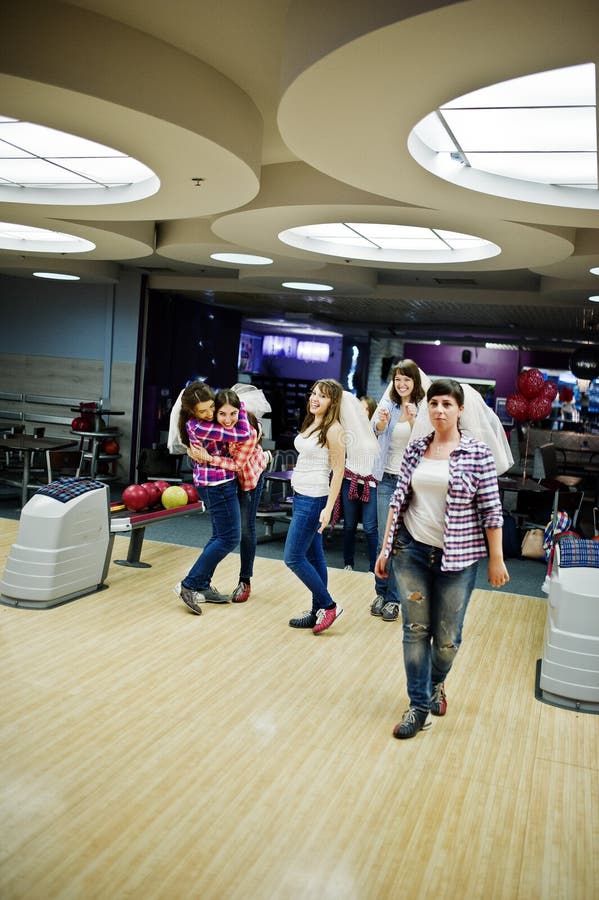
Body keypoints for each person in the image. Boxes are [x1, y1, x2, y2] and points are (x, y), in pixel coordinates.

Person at [375, 378, 509, 740]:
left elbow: (492, 511)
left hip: (459, 558)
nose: (439, 410)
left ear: (460, 410)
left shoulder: (478, 453)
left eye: (447, 404)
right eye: (434, 403)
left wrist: (496, 559)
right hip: (412, 551)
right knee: (415, 629)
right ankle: (418, 705)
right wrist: (386, 548)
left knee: (448, 638)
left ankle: (436, 682)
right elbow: (397, 501)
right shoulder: (417, 448)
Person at [172, 381, 251, 614]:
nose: (208, 414)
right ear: (192, 411)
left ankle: (202, 585)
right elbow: (243, 433)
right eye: (201, 411)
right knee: (229, 538)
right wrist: (240, 407)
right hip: (217, 483)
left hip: (214, 482)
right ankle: (189, 584)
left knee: (219, 536)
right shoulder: (199, 426)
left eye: (210, 408)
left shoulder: (209, 419)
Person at [187, 389, 270, 603]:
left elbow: (237, 464)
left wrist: (209, 459)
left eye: (233, 413)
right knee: (222, 534)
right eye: (222, 414)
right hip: (229, 480)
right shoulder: (214, 425)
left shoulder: (249, 431)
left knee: (245, 529)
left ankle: (245, 580)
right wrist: (194, 451)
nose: (227, 419)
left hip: (250, 478)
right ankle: (201, 583)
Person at [285, 379, 347, 635]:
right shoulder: (312, 423)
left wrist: (328, 508)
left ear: (333, 401)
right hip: (301, 495)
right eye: (313, 393)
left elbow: (339, 470)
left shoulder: (334, 429)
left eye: (322, 396)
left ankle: (329, 605)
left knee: (293, 557)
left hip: (314, 499)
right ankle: (316, 612)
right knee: (313, 556)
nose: (315, 398)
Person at [371, 360, 427, 622]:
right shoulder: (388, 406)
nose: (402, 384)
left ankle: (394, 599)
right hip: (386, 480)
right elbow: (374, 432)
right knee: (384, 538)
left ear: (415, 382)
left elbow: (427, 443)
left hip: (409, 484)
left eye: (407, 379)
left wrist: (415, 419)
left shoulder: (423, 408)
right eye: (397, 379)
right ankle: (381, 592)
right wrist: (380, 425)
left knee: (400, 543)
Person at [336, 395, 378, 572]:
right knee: (349, 526)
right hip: (350, 479)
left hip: (371, 483)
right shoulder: (348, 429)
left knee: (369, 527)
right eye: (358, 408)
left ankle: (373, 567)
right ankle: (348, 563)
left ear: (371, 411)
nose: (361, 412)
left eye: (365, 409)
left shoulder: (376, 430)